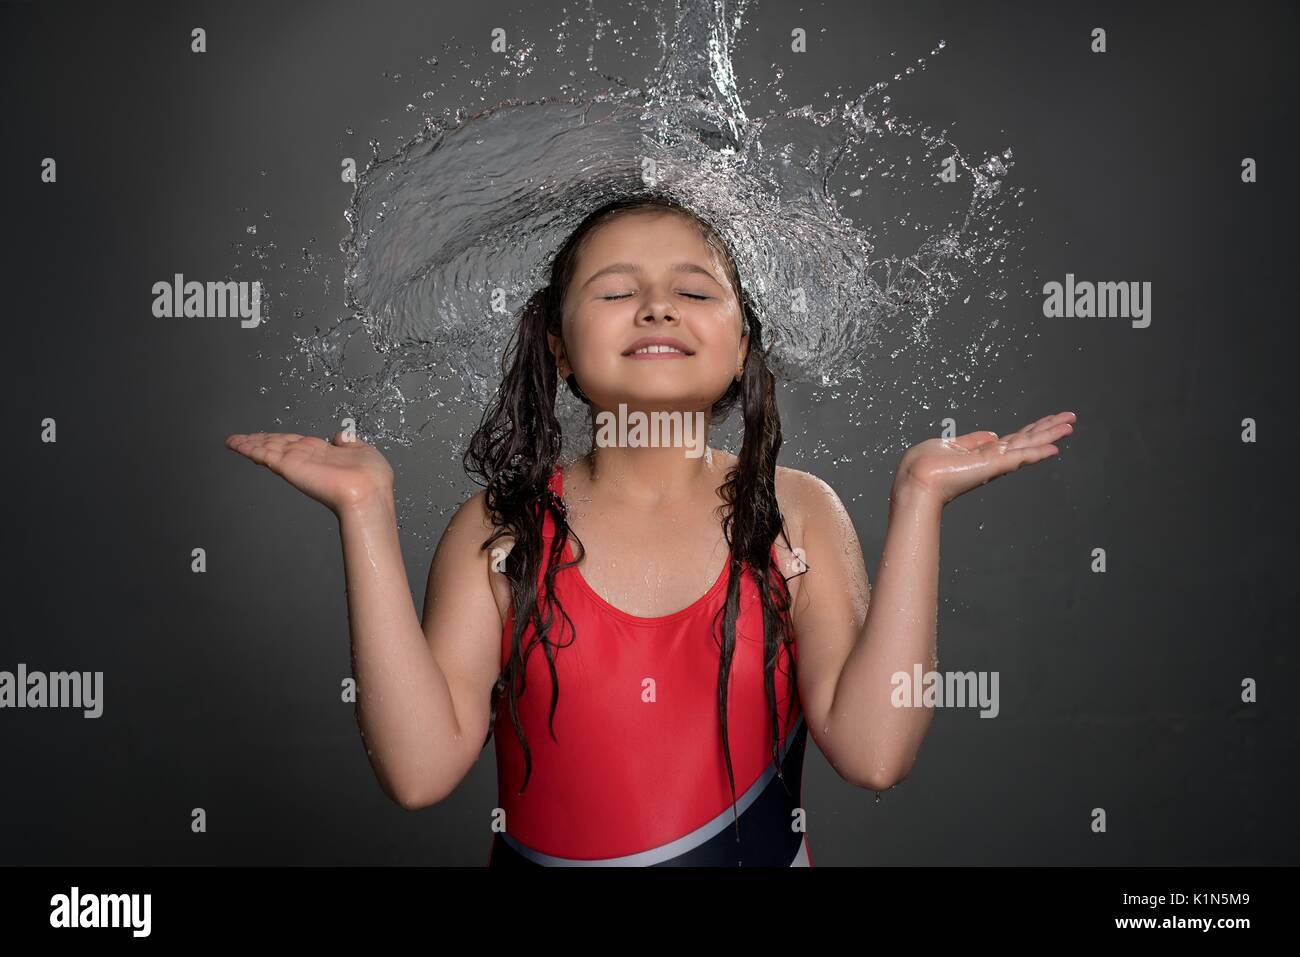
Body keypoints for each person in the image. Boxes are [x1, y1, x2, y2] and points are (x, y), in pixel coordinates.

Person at [225, 193, 1075, 866]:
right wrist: (365, 513)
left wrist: (920, 500)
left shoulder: (798, 513)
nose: (659, 307)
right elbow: (416, 772)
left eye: (695, 291)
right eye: (618, 291)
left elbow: (877, 750)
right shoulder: (501, 529)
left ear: (741, 344)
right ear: (558, 345)